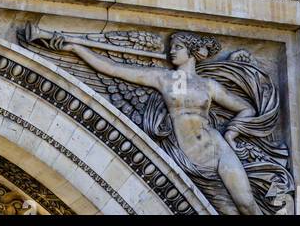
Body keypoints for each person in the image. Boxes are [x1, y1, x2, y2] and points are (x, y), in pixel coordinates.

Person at [56, 31, 261, 215]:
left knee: (247, 204)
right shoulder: (163, 78)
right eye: (171, 46)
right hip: (189, 157)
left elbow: (246, 108)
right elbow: (113, 68)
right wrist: (76, 48)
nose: (171, 51)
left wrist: (231, 133)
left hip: (217, 148)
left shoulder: (208, 85)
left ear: (191, 52)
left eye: (177, 47)